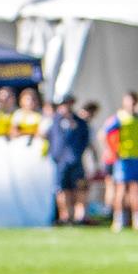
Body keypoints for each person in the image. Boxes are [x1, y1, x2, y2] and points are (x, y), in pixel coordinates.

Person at [105, 92, 138, 231]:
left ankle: (137, 220)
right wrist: (114, 151)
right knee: (121, 189)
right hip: (124, 159)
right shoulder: (119, 118)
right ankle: (118, 220)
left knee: (137, 189)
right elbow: (105, 133)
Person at [46, 94, 91, 225]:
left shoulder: (80, 122)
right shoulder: (54, 121)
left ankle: (79, 216)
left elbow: (85, 140)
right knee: (61, 189)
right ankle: (65, 216)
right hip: (60, 161)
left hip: (76, 161)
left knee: (79, 188)